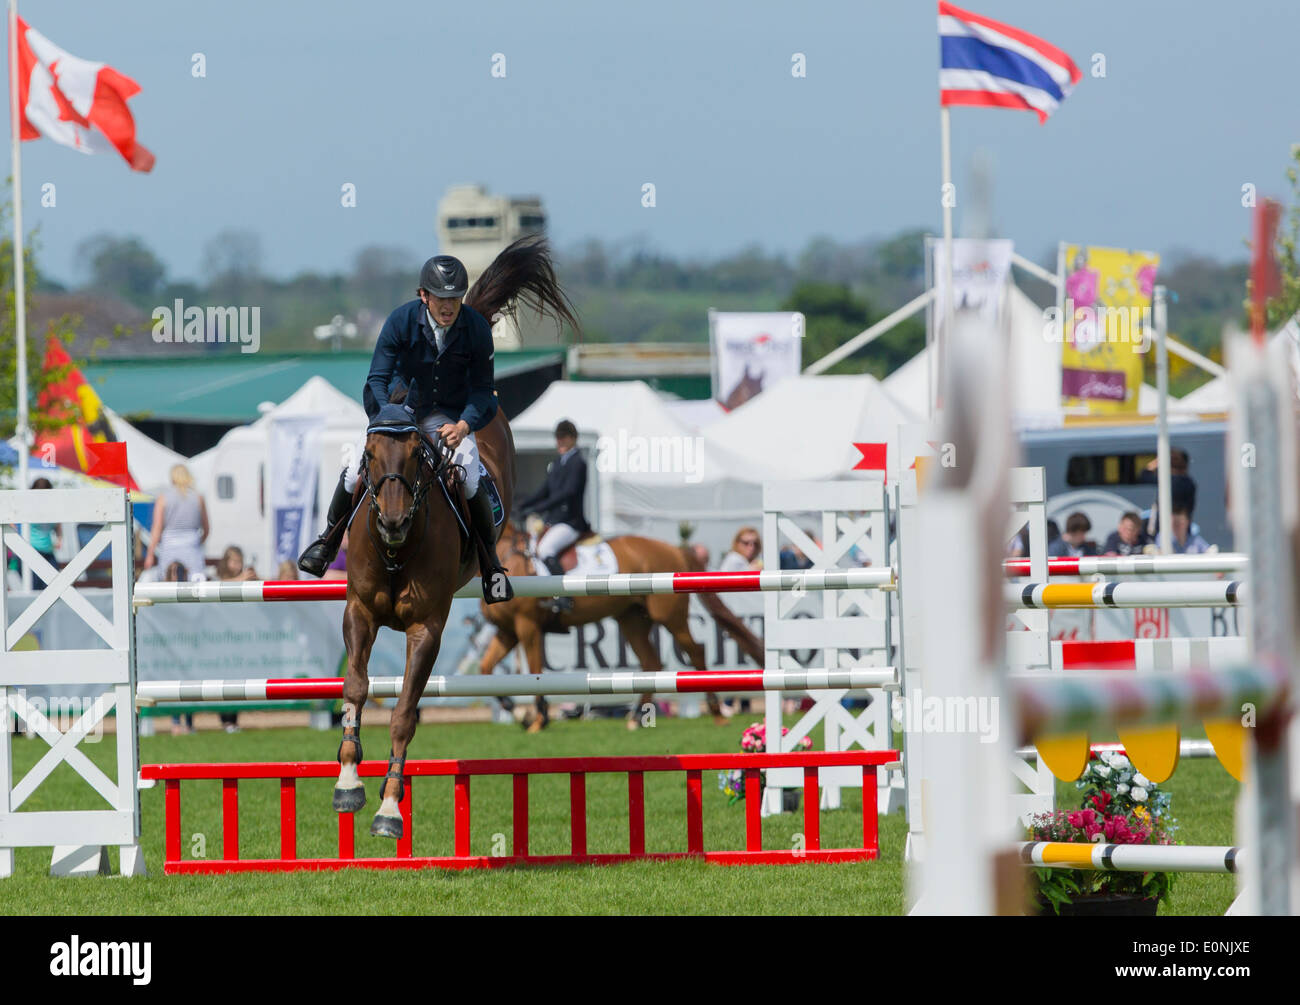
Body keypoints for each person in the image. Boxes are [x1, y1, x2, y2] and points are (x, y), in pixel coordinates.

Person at [297, 254, 512, 602]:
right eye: (441, 298)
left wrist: (464, 425)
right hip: (398, 413)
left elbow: (485, 393)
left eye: (455, 298)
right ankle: (327, 541)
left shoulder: (474, 329)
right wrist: (387, 417)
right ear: (423, 295)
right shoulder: (400, 322)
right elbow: (376, 380)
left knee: (470, 471)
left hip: (450, 418)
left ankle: (490, 565)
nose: (449, 306)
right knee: (354, 470)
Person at [517, 419, 590, 613]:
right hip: (555, 520)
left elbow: (567, 493)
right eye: (558, 438)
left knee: (546, 548)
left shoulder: (578, 463)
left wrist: (539, 508)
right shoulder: (558, 462)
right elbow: (545, 489)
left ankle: (565, 596)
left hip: (571, 522)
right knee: (530, 546)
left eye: (564, 438)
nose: (560, 442)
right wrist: (523, 504)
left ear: (573, 438)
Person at [145, 465, 210, 580]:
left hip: (169, 546)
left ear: (172, 478)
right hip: (192, 545)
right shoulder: (198, 497)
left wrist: (150, 554)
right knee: (195, 584)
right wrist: (198, 542)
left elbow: (157, 528)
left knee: (169, 582)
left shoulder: (163, 498)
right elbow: (206, 528)